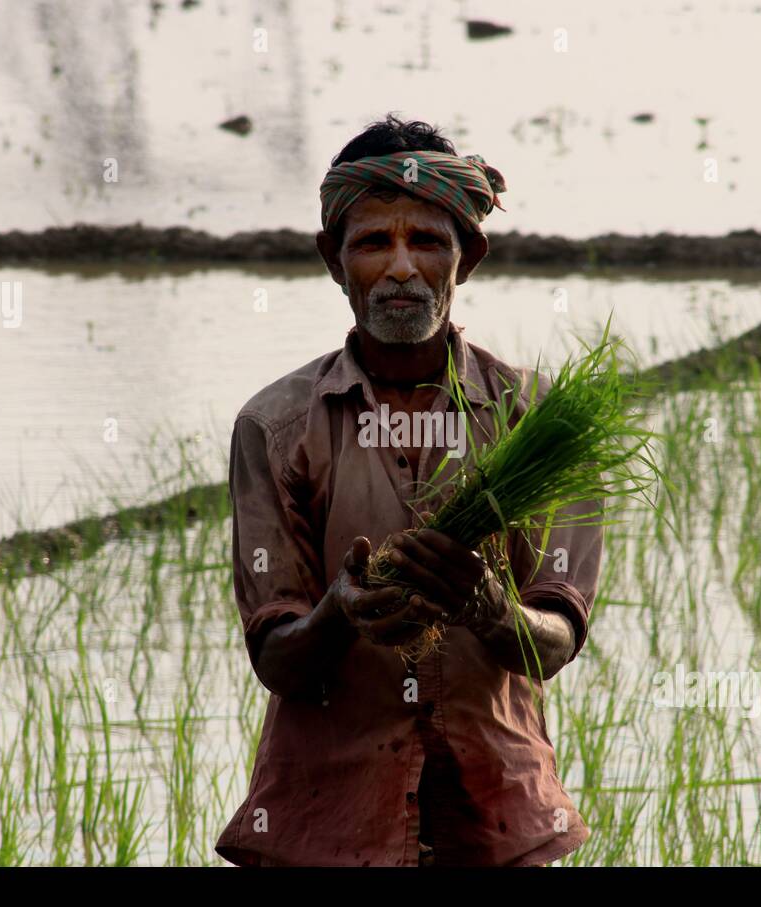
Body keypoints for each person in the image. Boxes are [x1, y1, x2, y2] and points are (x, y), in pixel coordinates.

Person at [215, 114, 603, 867]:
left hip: (497, 825)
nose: (400, 269)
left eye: (426, 241)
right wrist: (340, 611)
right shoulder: (275, 427)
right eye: (373, 243)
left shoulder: (540, 426)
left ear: (468, 257)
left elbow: (555, 640)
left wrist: (491, 609)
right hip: (326, 831)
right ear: (335, 259)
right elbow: (278, 657)